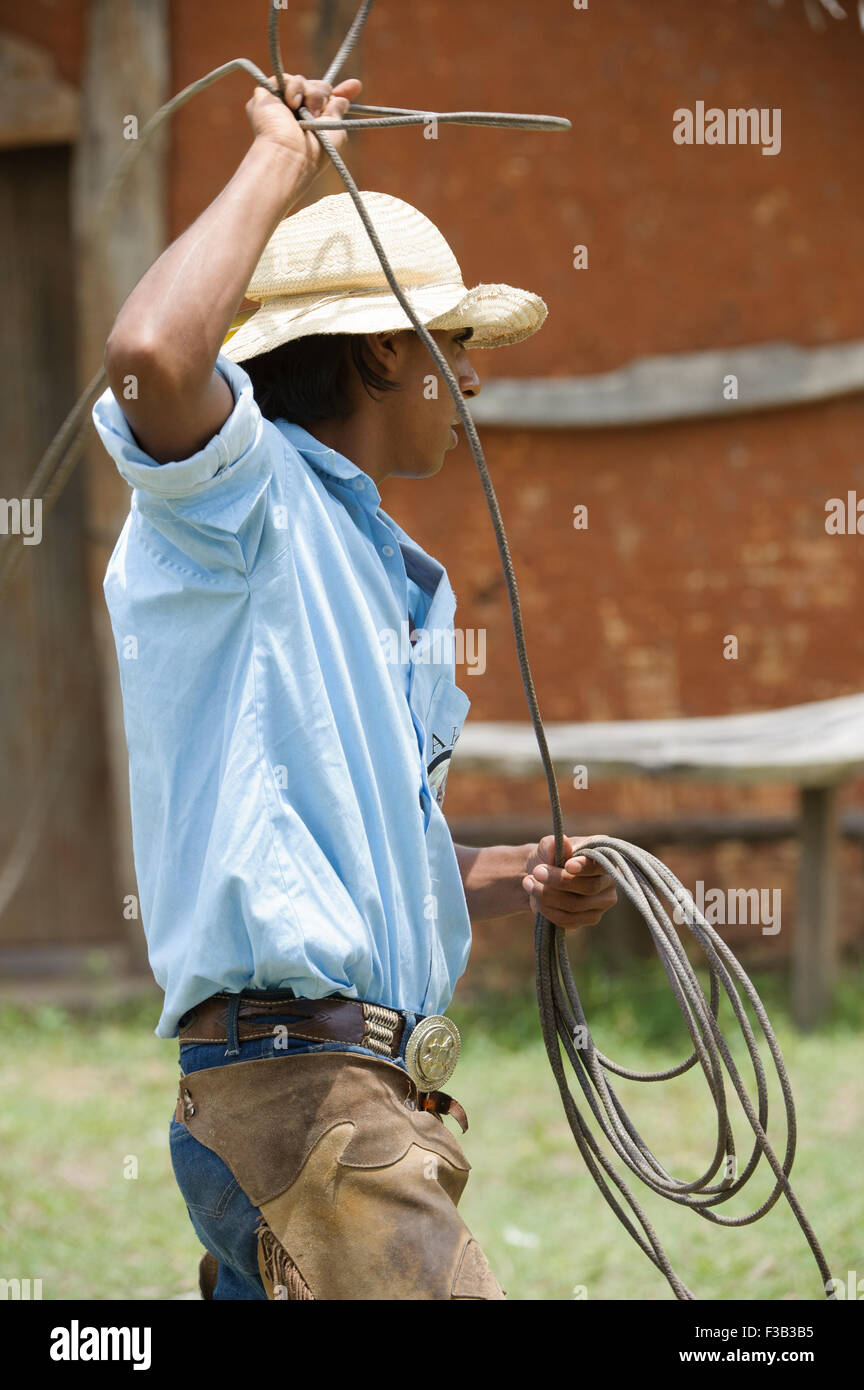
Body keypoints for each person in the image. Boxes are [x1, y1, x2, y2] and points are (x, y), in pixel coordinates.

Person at [92, 70, 617, 1301]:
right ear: (389, 346)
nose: (474, 383)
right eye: (459, 345)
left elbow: (337, 846)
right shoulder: (242, 504)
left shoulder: (382, 571)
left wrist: (506, 878)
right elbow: (148, 356)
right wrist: (286, 154)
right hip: (302, 1099)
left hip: (349, 1093)